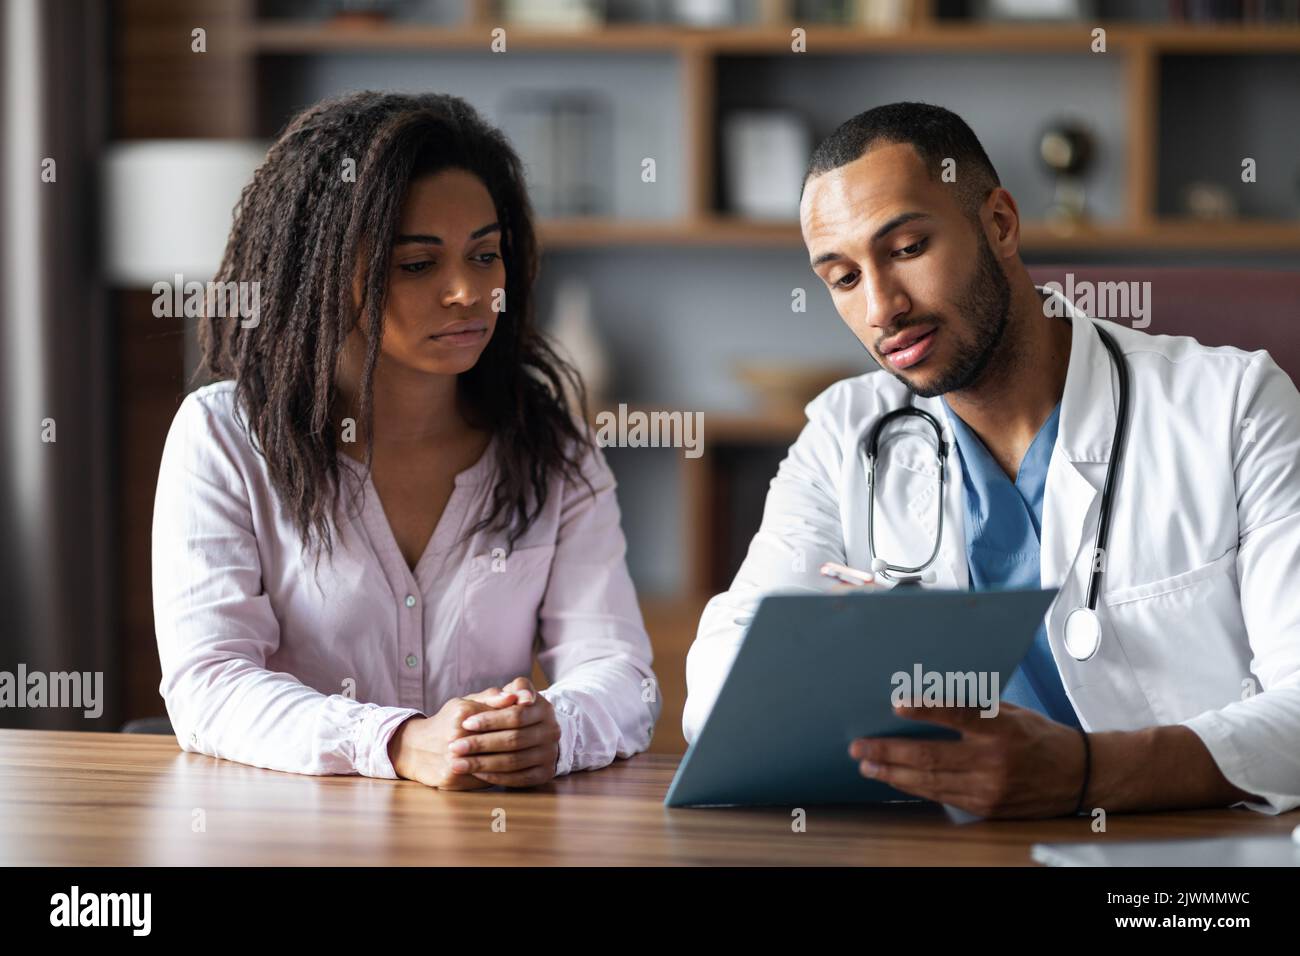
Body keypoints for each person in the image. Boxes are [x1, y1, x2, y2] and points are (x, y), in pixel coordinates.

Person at [684, 102, 1300, 818]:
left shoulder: (1234, 407)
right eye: (844, 278)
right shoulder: (844, 434)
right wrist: (853, 659)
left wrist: (1085, 774)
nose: (881, 308)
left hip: (1188, 854)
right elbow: (721, 694)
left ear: (1001, 224)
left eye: (907, 248)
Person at [153, 91, 659, 790]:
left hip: (489, 836)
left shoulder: (552, 447)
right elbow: (209, 684)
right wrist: (394, 742)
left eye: (485, 255)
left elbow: (621, 672)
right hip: (286, 833)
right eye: (418, 265)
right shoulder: (224, 440)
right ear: (321, 272)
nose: (467, 291)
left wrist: (559, 726)